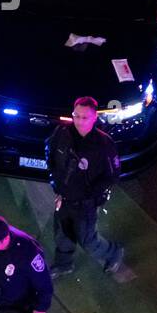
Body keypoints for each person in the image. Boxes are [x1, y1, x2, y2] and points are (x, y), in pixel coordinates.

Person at [46, 97, 125, 277]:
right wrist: (55, 181)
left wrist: (91, 192)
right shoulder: (62, 133)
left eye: (84, 118)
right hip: (63, 199)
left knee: (88, 241)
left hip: (86, 204)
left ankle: (113, 252)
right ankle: (63, 264)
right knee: (62, 234)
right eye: (76, 116)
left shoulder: (104, 144)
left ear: (94, 118)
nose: (79, 121)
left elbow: (113, 174)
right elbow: (49, 153)